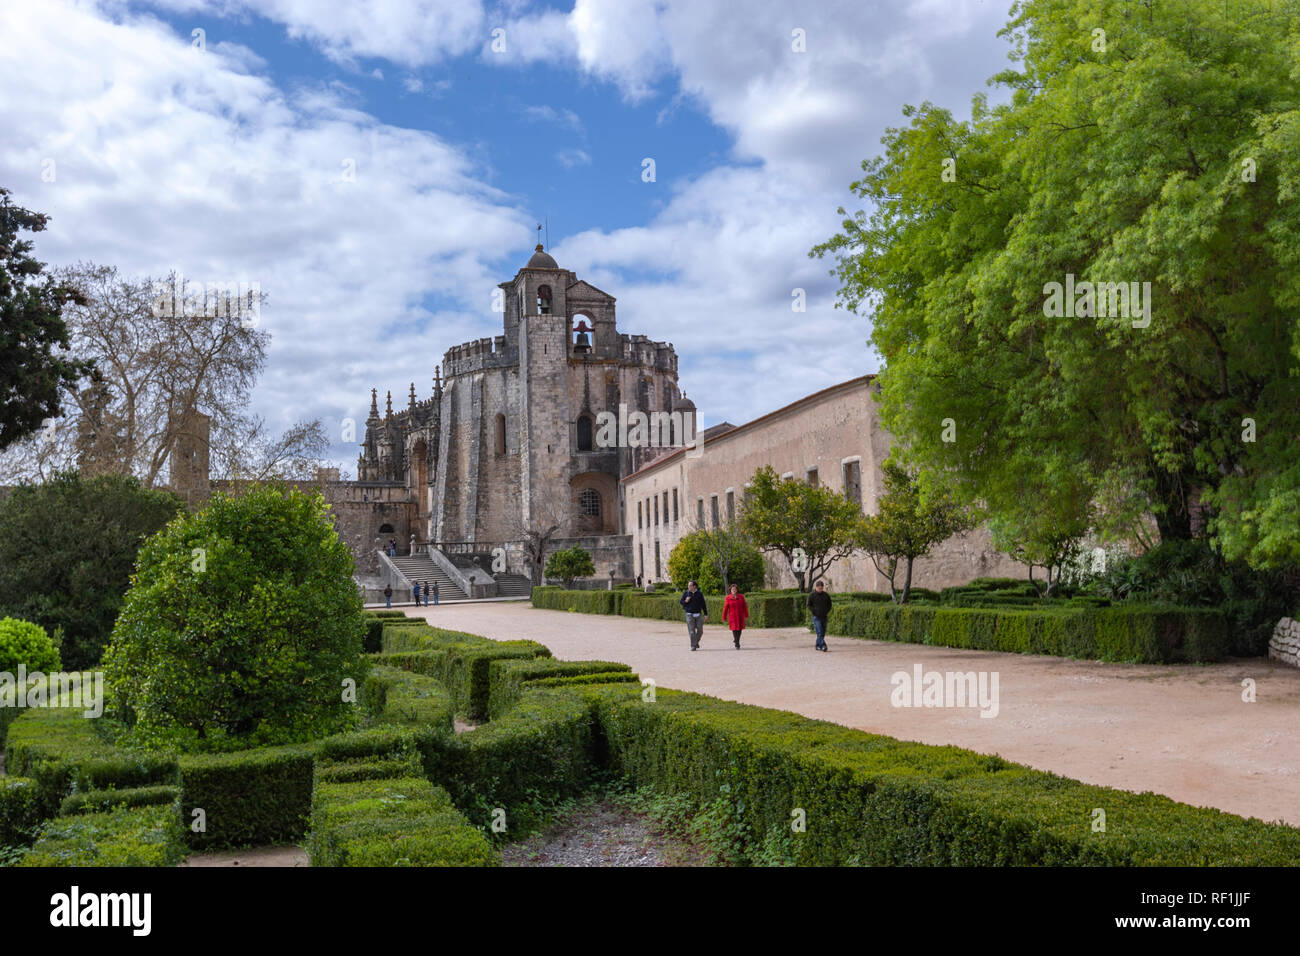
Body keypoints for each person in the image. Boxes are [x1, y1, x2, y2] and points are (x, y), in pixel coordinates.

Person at [681, 580, 708, 651]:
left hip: (698, 615)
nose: (688, 586)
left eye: (690, 585)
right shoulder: (686, 593)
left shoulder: (699, 594)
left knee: (700, 631)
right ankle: (693, 646)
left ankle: (695, 642)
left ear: (694, 586)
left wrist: (705, 614)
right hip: (689, 614)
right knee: (692, 631)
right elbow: (681, 602)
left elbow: (703, 604)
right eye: (688, 585)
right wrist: (685, 601)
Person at [808, 580, 831, 652]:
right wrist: (814, 611)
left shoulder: (826, 595)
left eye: (821, 588)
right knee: (819, 631)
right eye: (819, 588)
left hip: (824, 616)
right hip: (816, 617)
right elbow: (809, 605)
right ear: (816, 587)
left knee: (823, 632)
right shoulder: (812, 595)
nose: (820, 590)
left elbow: (829, 604)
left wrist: (826, 611)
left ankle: (817, 645)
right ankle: (823, 646)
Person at [723, 584, 748, 649]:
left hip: (740, 616)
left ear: (737, 590)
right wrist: (724, 617)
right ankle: (737, 643)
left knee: (740, 629)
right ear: (730, 590)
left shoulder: (741, 597)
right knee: (734, 629)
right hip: (732, 616)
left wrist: (746, 614)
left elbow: (744, 606)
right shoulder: (728, 598)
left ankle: (736, 639)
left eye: (735, 589)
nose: (734, 590)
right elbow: (725, 608)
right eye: (732, 589)